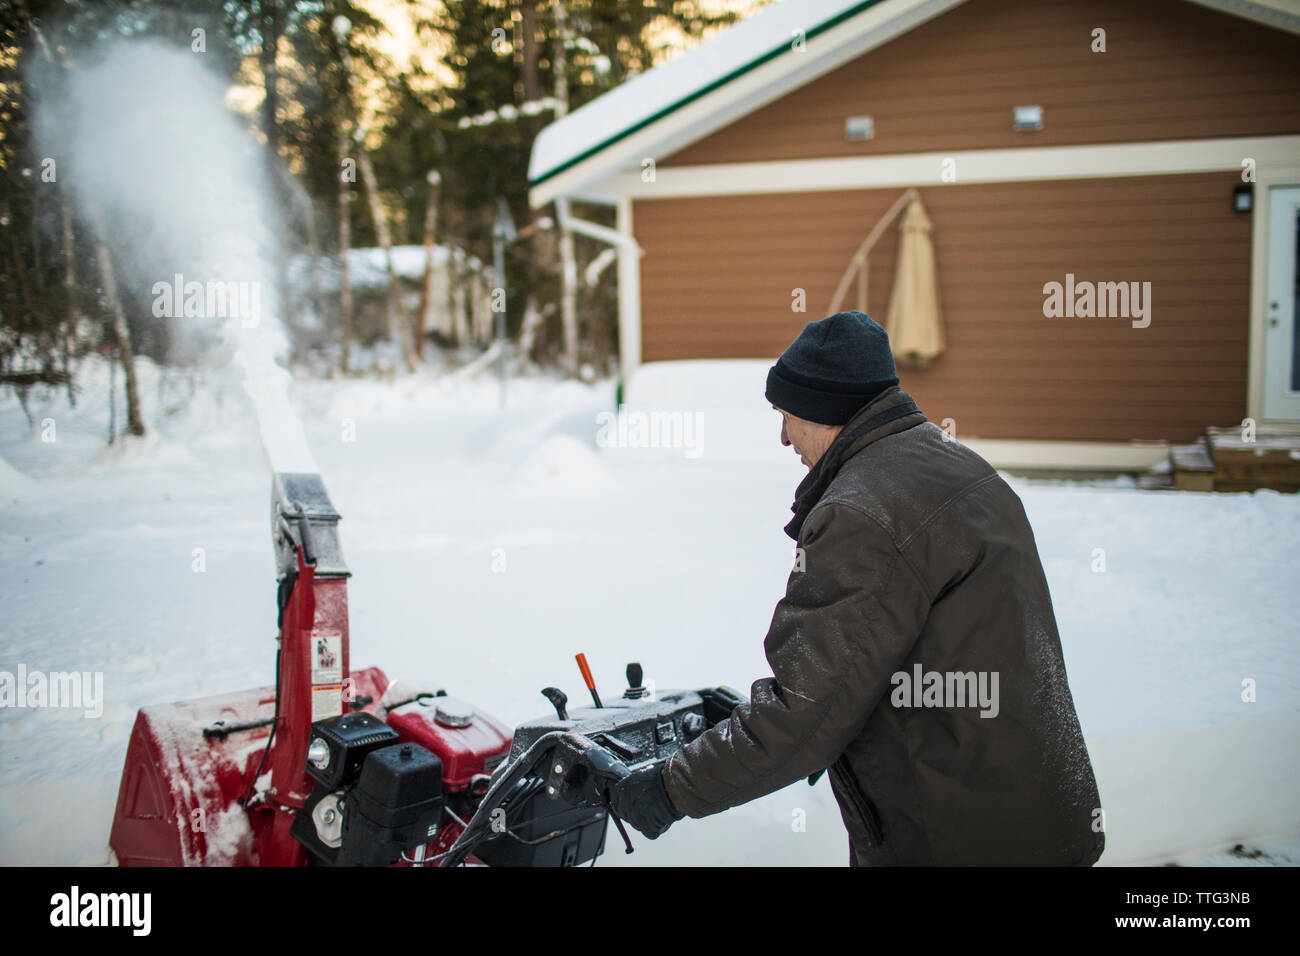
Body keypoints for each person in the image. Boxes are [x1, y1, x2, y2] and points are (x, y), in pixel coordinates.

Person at [609, 311, 1105, 866]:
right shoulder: (961, 469)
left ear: (824, 412)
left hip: (954, 838)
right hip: (1029, 811)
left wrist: (670, 789)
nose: (782, 436)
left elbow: (809, 711)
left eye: (787, 415)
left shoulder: (862, 514)